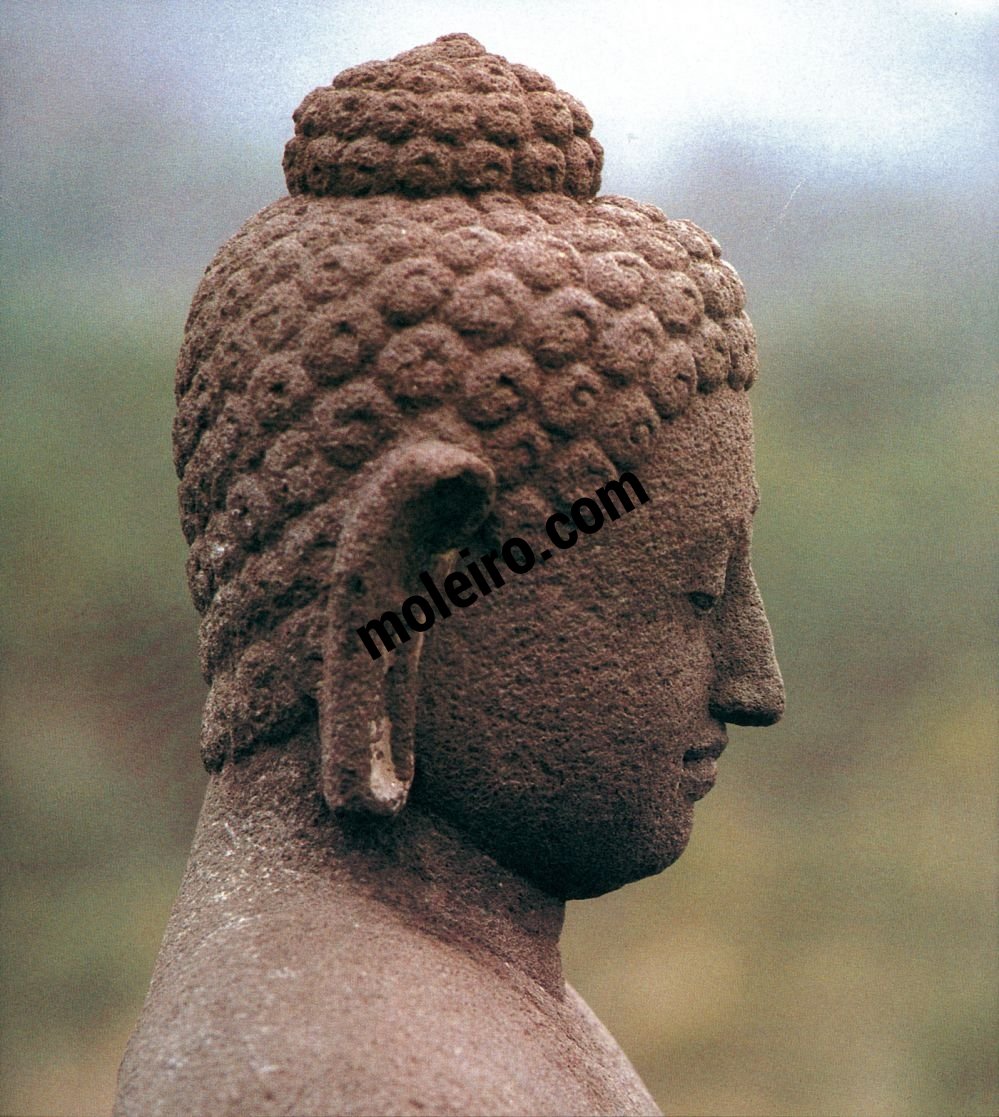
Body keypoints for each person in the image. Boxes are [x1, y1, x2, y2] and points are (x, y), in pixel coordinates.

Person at [115, 33, 783, 1117]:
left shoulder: (474, 989)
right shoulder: (353, 1081)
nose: (754, 684)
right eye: (697, 592)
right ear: (402, 593)